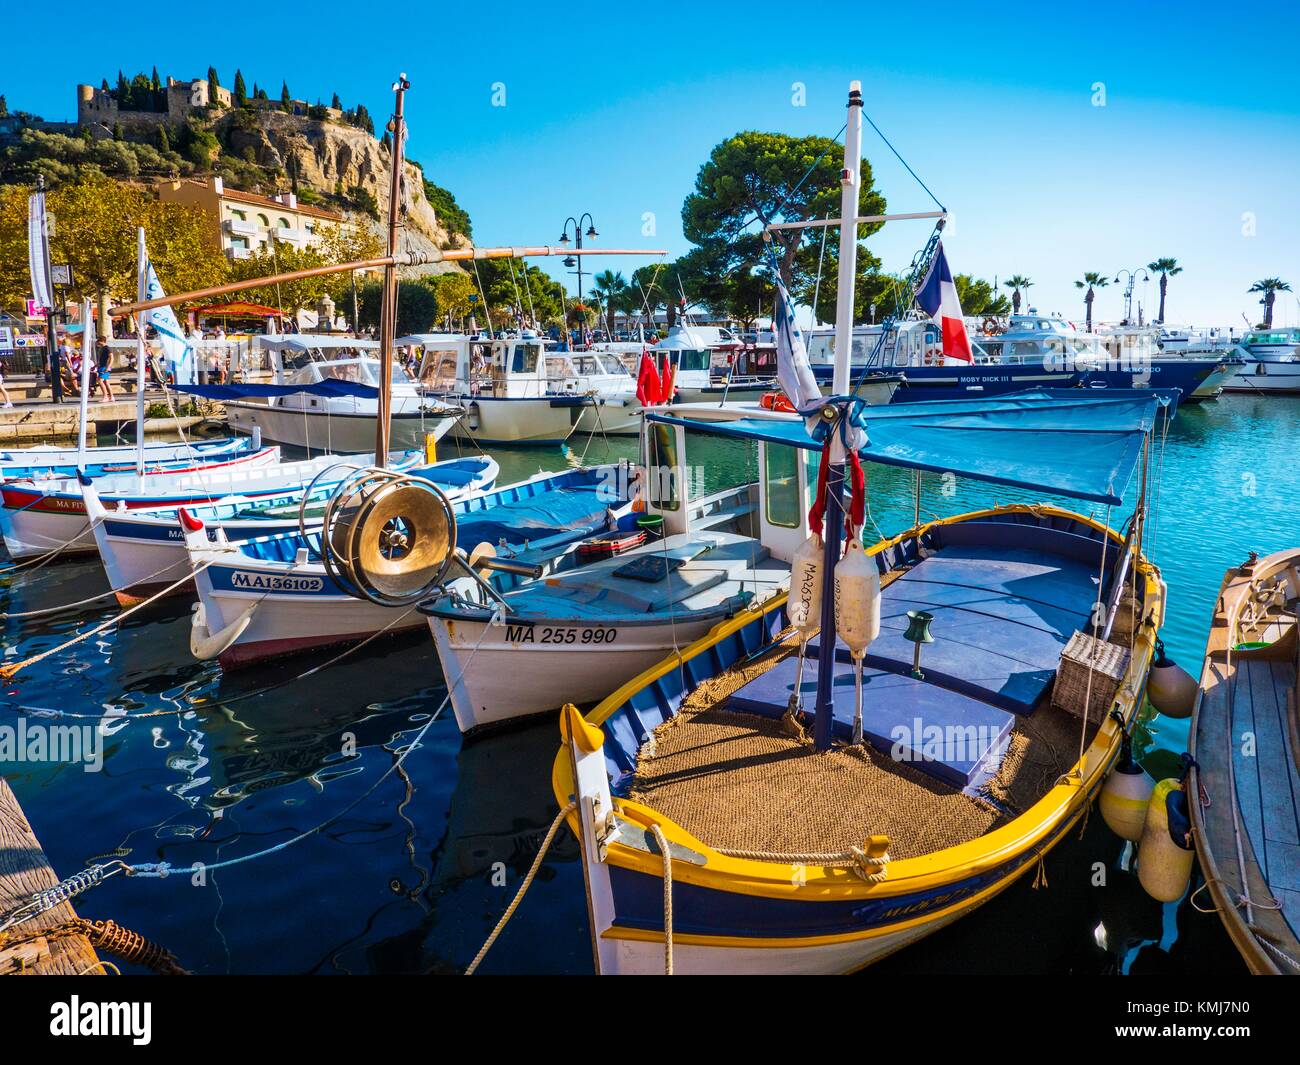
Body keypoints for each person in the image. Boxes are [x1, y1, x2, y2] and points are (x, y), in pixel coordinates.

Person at [96, 337, 115, 402]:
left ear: (102, 341)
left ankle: (105, 396)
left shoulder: (107, 348)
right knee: (106, 382)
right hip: (102, 366)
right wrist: (96, 365)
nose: (97, 342)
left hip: (105, 367)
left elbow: (111, 358)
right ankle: (111, 396)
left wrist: (108, 367)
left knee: (100, 381)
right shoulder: (101, 348)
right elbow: (101, 359)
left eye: (98, 341)